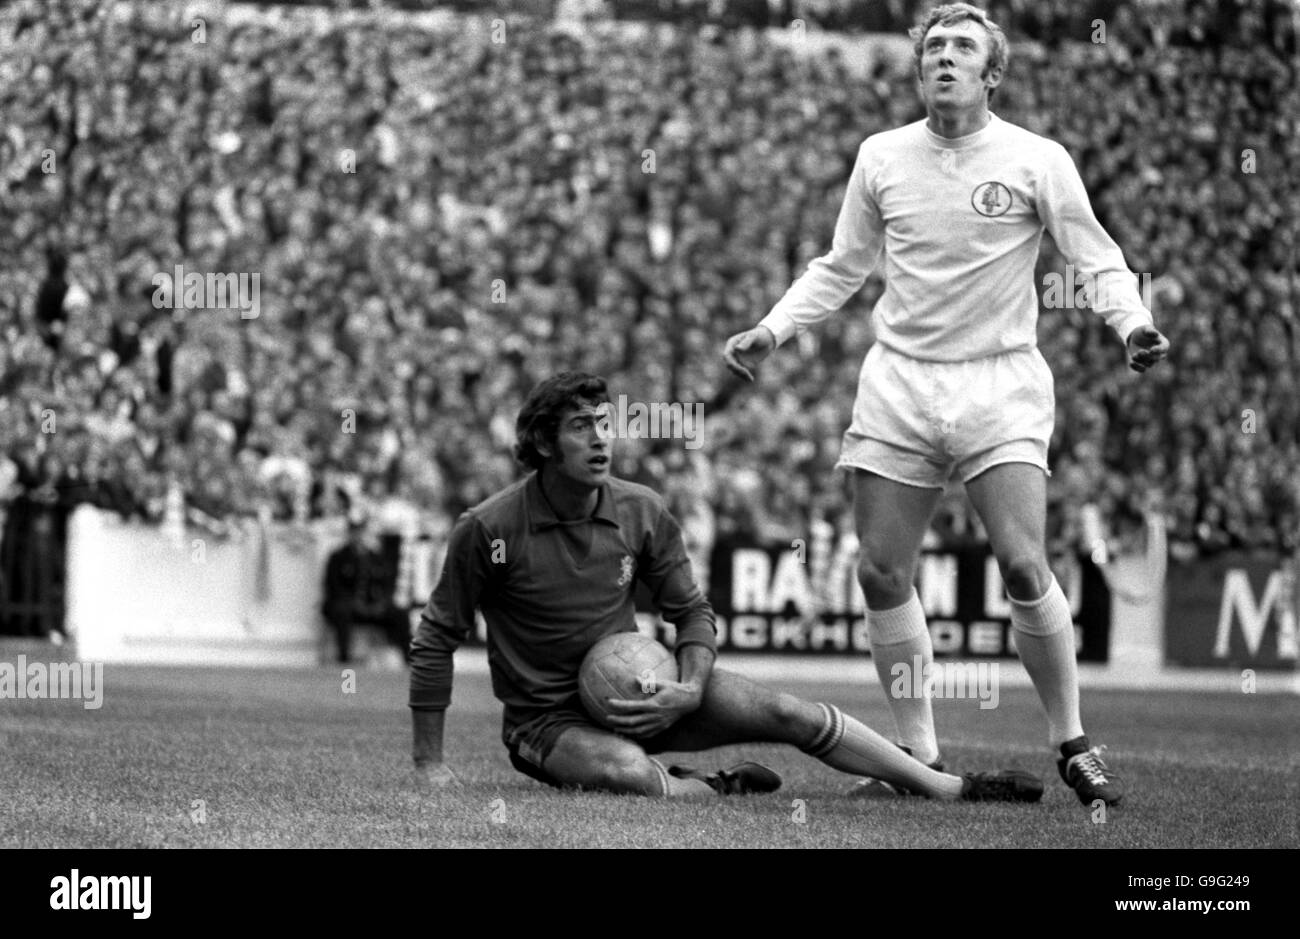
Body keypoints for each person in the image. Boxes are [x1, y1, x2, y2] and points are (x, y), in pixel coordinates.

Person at [722, 3, 1170, 806]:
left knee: (1025, 563)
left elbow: (1096, 257)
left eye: (963, 47)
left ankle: (1070, 738)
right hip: (899, 378)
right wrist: (773, 328)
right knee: (881, 569)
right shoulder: (883, 156)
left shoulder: (1037, 159)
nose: (945, 57)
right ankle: (917, 754)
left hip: (998, 381)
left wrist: (1132, 322)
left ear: (992, 73)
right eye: (934, 46)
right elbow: (842, 264)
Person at [408, 371, 1043, 801]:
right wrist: (431, 765)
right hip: (547, 725)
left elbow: (691, 613)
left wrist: (687, 687)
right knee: (627, 774)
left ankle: (951, 788)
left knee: (788, 712)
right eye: (581, 426)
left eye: (605, 422)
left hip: (653, 692)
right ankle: (711, 787)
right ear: (544, 443)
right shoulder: (487, 527)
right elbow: (436, 637)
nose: (602, 437)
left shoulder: (641, 510)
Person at [322, 508, 410, 665]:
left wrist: (380, 603)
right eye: (353, 530)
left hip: (371, 606)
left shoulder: (375, 557)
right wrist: (353, 603)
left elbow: (385, 584)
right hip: (348, 606)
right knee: (342, 612)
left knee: (399, 613)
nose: (357, 534)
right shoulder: (338, 557)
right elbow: (333, 587)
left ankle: (409, 661)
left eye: (360, 530)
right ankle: (345, 661)